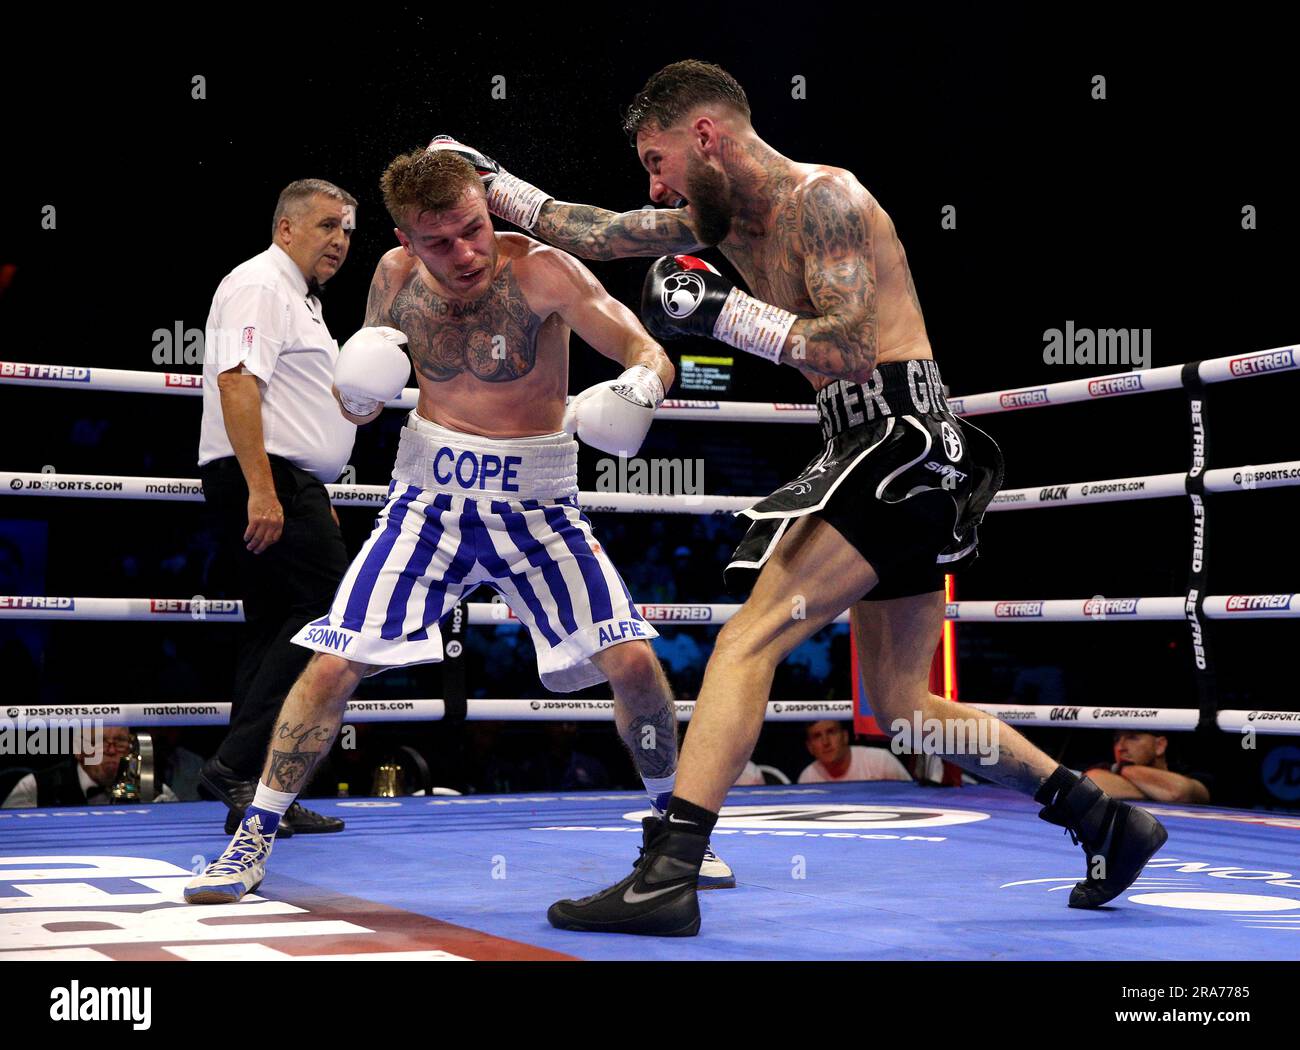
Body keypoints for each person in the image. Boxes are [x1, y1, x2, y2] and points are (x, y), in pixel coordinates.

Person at [452, 59, 1170, 935]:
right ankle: (1103, 817)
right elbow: (596, 232)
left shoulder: (825, 201)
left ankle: (668, 872)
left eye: (657, 158)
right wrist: (493, 184)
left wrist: (721, 315)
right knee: (903, 704)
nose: (653, 182)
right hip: (883, 451)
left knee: (747, 638)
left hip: (898, 441)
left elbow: (848, 350)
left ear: (706, 136)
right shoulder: (716, 216)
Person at [185, 146, 733, 903]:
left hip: (537, 506)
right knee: (331, 661)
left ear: (488, 210)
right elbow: (359, 399)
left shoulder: (544, 270)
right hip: (428, 505)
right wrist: (359, 392)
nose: (465, 253)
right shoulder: (391, 277)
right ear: (408, 239)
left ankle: (675, 828)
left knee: (633, 661)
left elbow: (646, 350)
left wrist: (640, 385)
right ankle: (253, 837)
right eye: (438, 241)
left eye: (473, 230)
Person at [196, 180, 360, 837]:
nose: (340, 241)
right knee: (328, 614)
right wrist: (266, 487)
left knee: (271, 628)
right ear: (286, 229)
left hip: (286, 481)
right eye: (326, 226)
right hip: (264, 479)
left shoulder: (301, 298)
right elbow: (238, 381)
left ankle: (259, 794)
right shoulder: (262, 284)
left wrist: (312, 485)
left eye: (346, 229)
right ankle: (236, 764)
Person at [1, 726, 177, 807]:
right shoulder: (36, 787)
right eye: (100, 741)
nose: (111, 750)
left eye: (120, 741)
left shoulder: (150, 788)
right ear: (78, 749)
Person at [1085, 731, 1211, 803]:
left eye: (1132, 737)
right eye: (1117, 740)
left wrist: (1125, 770)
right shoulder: (1108, 769)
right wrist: (1161, 792)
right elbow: (1090, 783)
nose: (1120, 747)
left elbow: (1180, 792)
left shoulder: (1191, 773)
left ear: (1159, 746)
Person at [798, 720, 911, 784]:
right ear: (809, 747)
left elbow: (913, 799)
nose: (825, 742)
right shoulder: (808, 778)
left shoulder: (880, 761)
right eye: (817, 736)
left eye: (831, 732)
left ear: (845, 736)